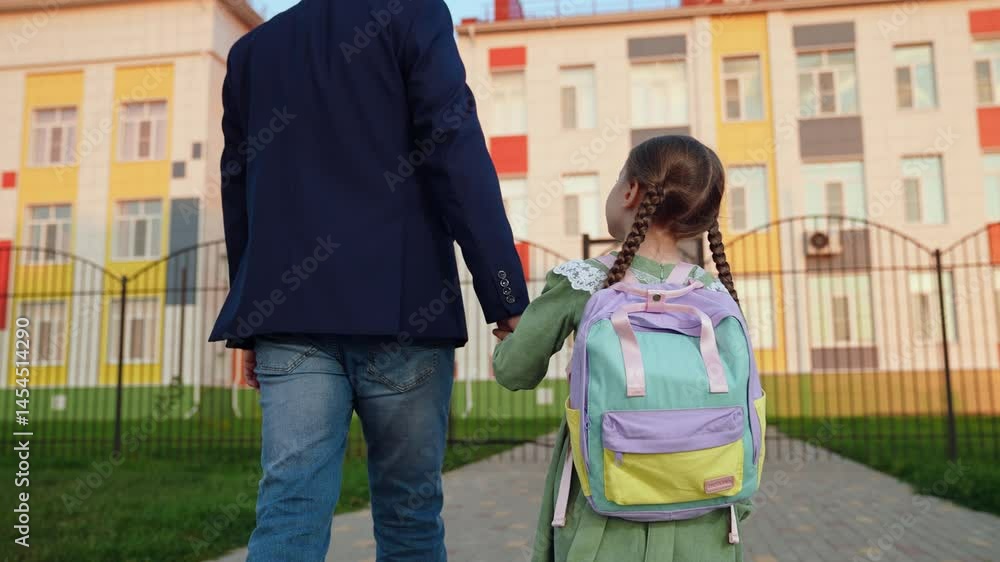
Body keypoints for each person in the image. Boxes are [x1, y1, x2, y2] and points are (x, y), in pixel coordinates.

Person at [208, 0, 526, 559]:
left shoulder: (253, 52)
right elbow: (454, 147)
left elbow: (240, 190)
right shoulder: (416, 14)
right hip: (404, 312)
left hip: (291, 316)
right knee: (409, 518)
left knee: (288, 510)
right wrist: (504, 294)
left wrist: (252, 320)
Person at [492, 135, 752, 561]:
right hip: (704, 515)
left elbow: (515, 372)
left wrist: (513, 340)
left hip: (605, 513)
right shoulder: (714, 294)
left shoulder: (583, 282)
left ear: (630, 191)